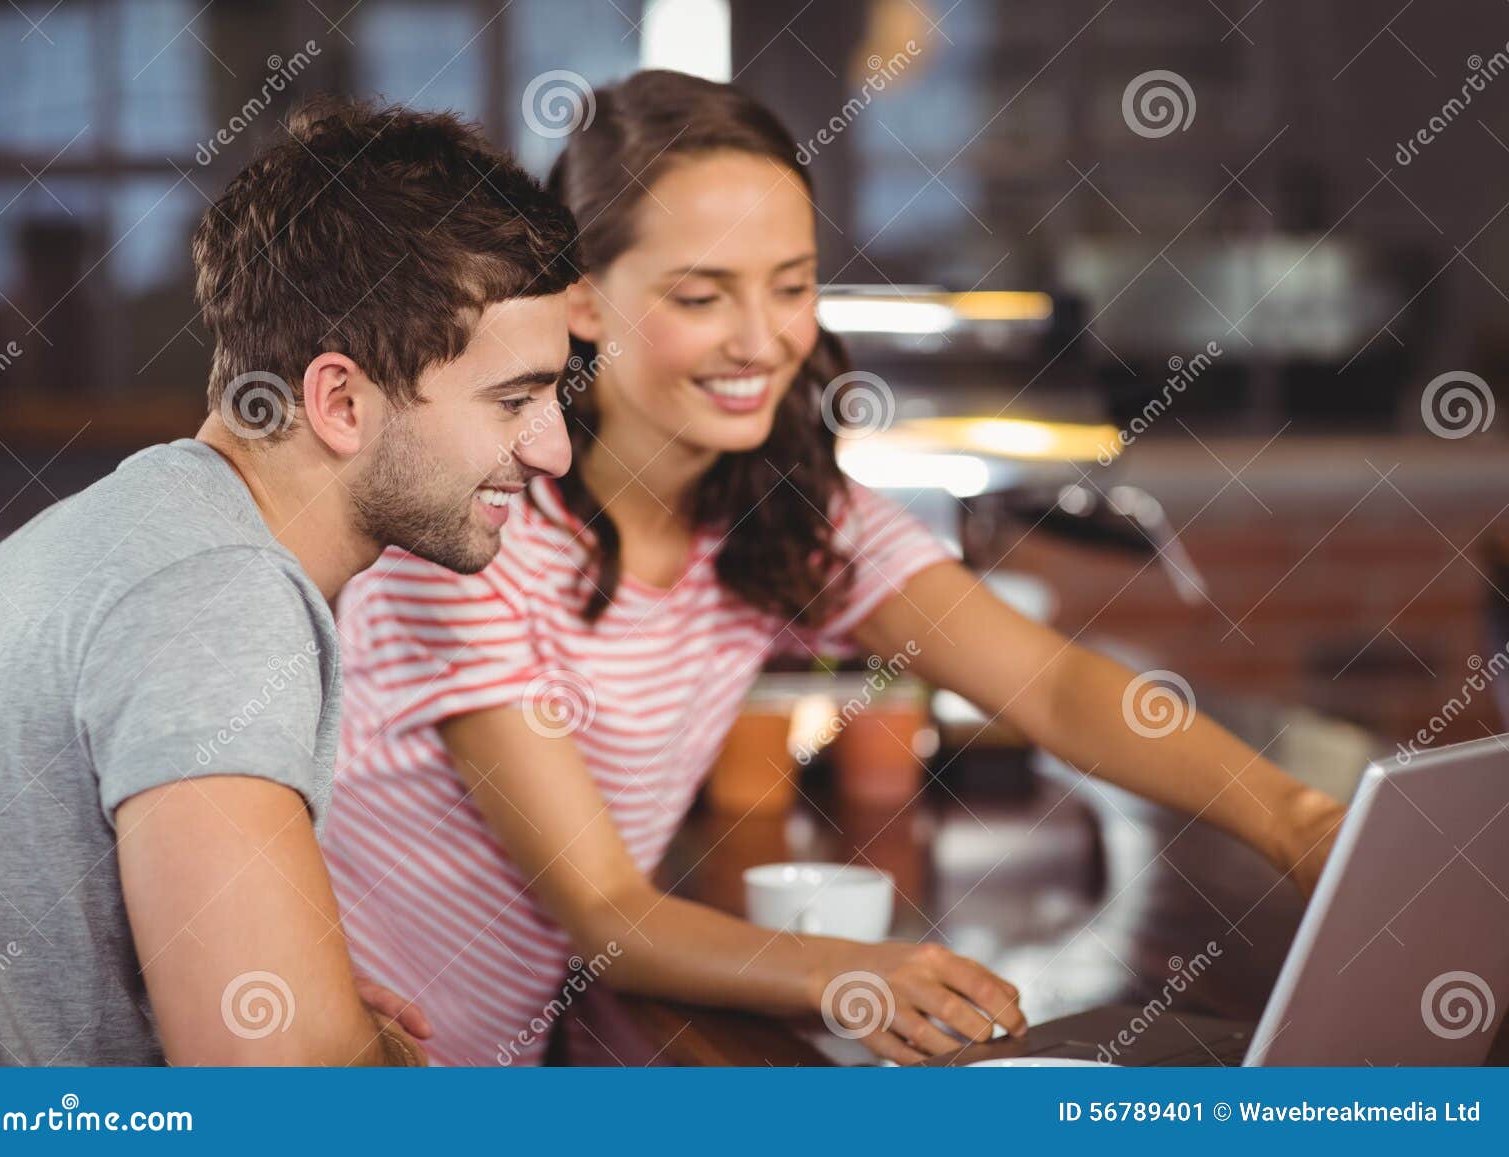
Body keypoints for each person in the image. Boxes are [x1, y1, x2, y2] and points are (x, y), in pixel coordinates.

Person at [322, 71, 1345, 1066]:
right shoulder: (469, 530)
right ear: (583, 304)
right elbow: (606, 912)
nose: (761, 339)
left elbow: (1056, 685)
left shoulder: (778, 507)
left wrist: (1295, 819)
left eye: (792, 286)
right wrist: (857, 973)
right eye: (701, 293)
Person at [0, 99, 577, 1065]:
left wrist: (296, 992)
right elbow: (279, 1106)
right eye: (514, 400)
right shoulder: (217, 595)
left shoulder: (136, 532)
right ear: (339, 400)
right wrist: (349, 1048)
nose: (552, 447)